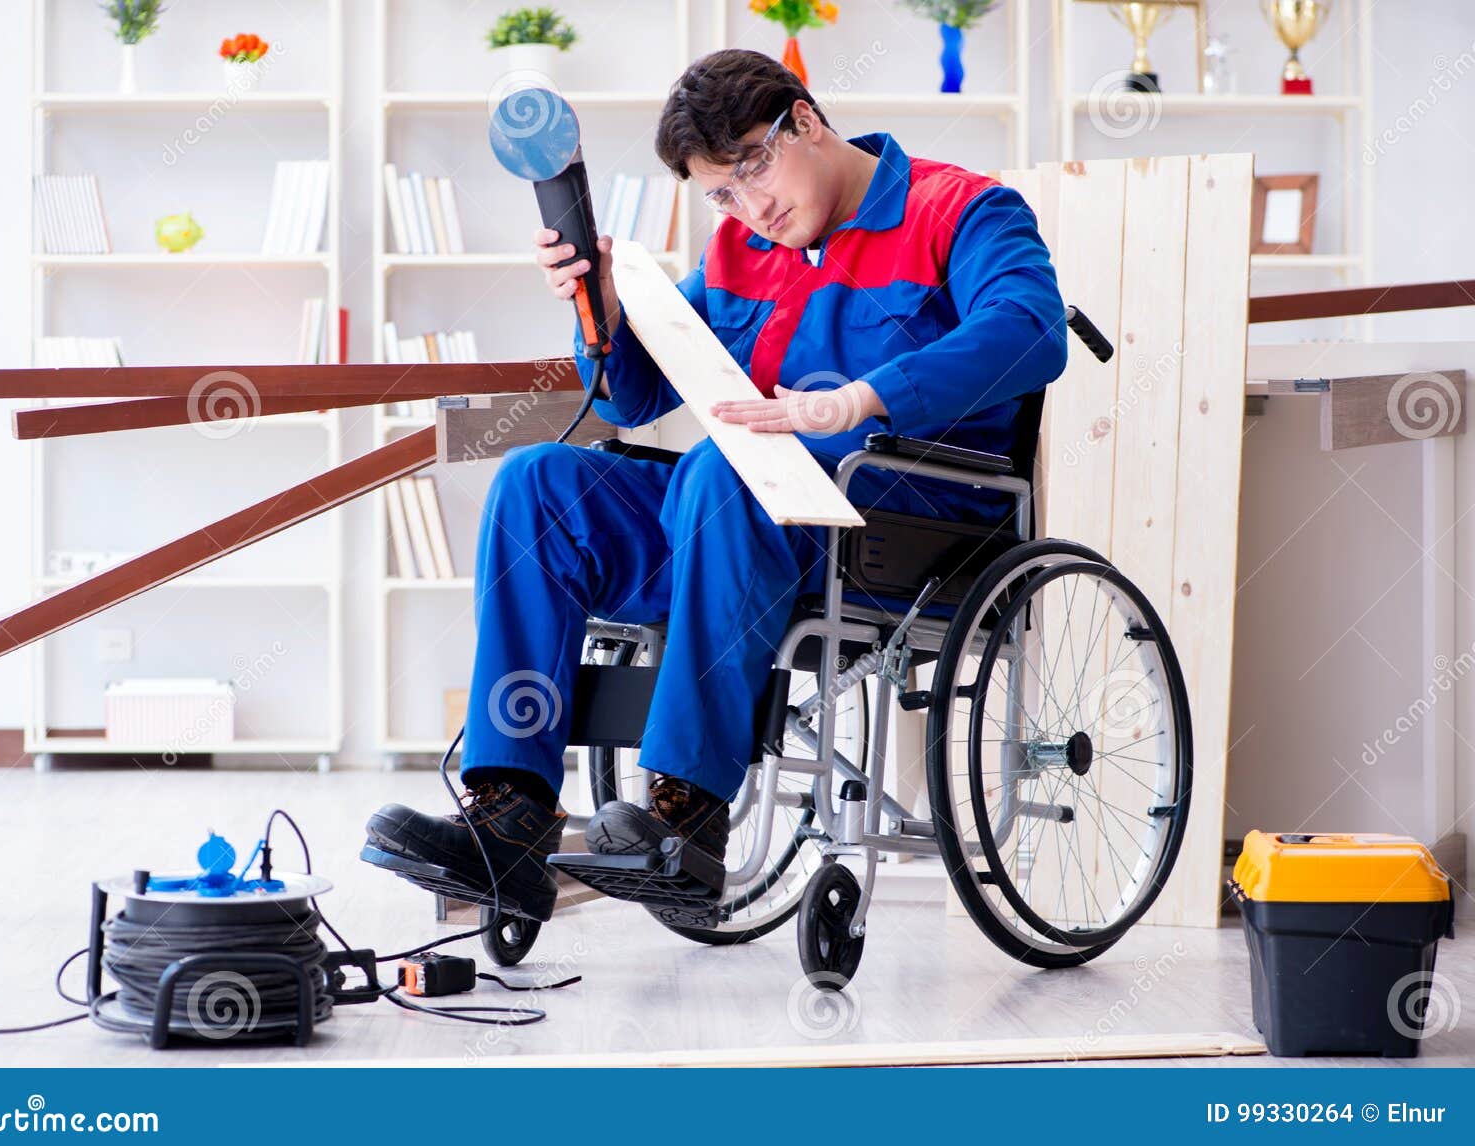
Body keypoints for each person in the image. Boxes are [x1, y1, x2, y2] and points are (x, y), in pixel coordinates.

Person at [364, 48, 1068, 924]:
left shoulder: (961, 208)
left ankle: (687, 816)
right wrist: (604, 313)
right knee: (538, 480)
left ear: (804, 121)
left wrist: (860, 399)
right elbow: (638, 393)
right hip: (740, 517)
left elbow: (1032, 332)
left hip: (901, 521)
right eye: (722, 194)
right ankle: (511, 817)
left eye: (754, 169)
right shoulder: (743, 247)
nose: (750, 207)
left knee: (716, 468)